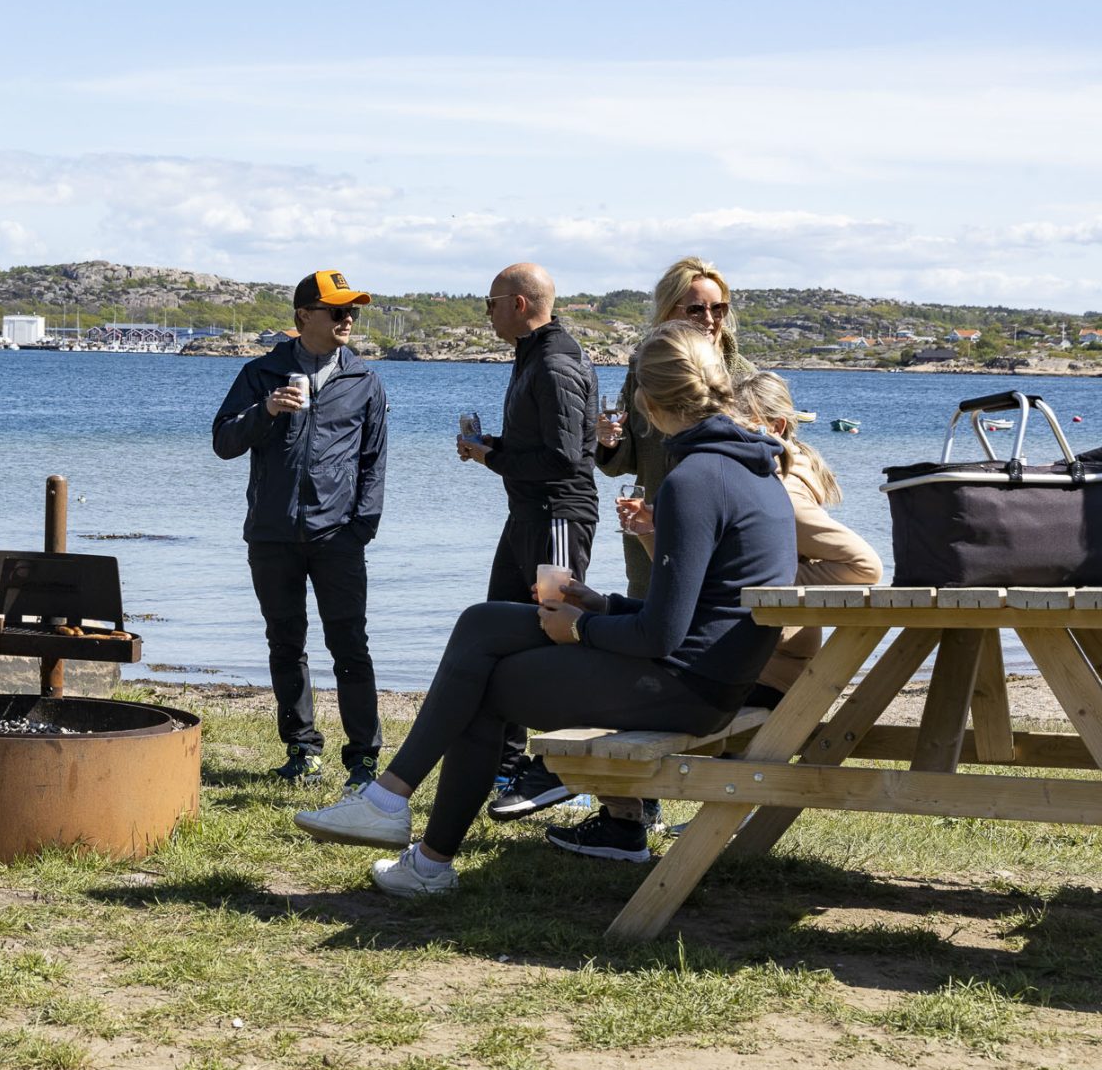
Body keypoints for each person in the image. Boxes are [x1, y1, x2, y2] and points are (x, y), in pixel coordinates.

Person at [293, 319, 794, 887]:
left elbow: (664, 636)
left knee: (487, 687)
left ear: (646, 404)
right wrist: (600, 604)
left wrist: (580, 629)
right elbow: (700, 611)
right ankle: (390, 805)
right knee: (482, 622)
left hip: (688, 690)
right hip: (710, 678)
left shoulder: (695, 480)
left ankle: (420, 851)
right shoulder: (752, 468)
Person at [212, 270, 389, 789]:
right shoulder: (260, 374)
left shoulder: (364, 380)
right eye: (337, 311)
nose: (347, 320)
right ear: (303, 317)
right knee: (285, 643)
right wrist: (263, 411)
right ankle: (303, 750)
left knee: (350, 646)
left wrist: (363, 527)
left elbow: (374, 462)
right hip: (271, 535)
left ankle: (363, 761)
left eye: (352, 311)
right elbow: (223, 442)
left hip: (338, 538)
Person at [454, 262, 599, 815]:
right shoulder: (533, 355)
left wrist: (494, 455)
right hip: (527, 515)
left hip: (557, 517)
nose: (486, 312)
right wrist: (492, 446)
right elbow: (539, 445)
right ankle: (509, 767)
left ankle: (563, 769)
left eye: (490, 302)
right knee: (501, 628)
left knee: (556, 636)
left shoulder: (556, 361)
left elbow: (564, 458)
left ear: (518, 303)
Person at [597, 257, 754, 597]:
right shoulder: (645, 371)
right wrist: (609, 442)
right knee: (646, 638)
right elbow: (629, 461)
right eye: (696, 309)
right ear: (668, 312)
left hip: (721, 537)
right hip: (651, 537)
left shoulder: (744, 377)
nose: (710, 320)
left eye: (719, 308)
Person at [732, 373, 881, 705]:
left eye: (741, 426)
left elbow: (865, 566)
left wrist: (763, 578)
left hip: (769, 671)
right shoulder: (761, 477)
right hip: (760, 661)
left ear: (777, 427)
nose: (728, 435)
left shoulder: (783, 490)